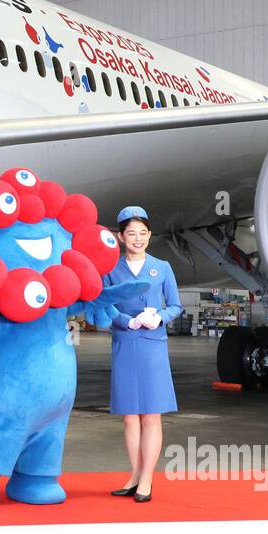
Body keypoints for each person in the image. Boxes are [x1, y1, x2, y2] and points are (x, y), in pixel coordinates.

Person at [103, 206, 182, 502]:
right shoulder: (110, 271)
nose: (138, 239)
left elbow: (175, 305)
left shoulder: (161, 267)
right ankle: (135, 474)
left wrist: (159, 316)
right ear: (121, 237)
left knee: (151, 416)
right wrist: (126, 320)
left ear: (149, 235)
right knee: (129, 418)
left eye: (143, 233)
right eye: (131, 234)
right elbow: (105, 306)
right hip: (125, 343)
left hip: (152, 346)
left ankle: (147, 479)